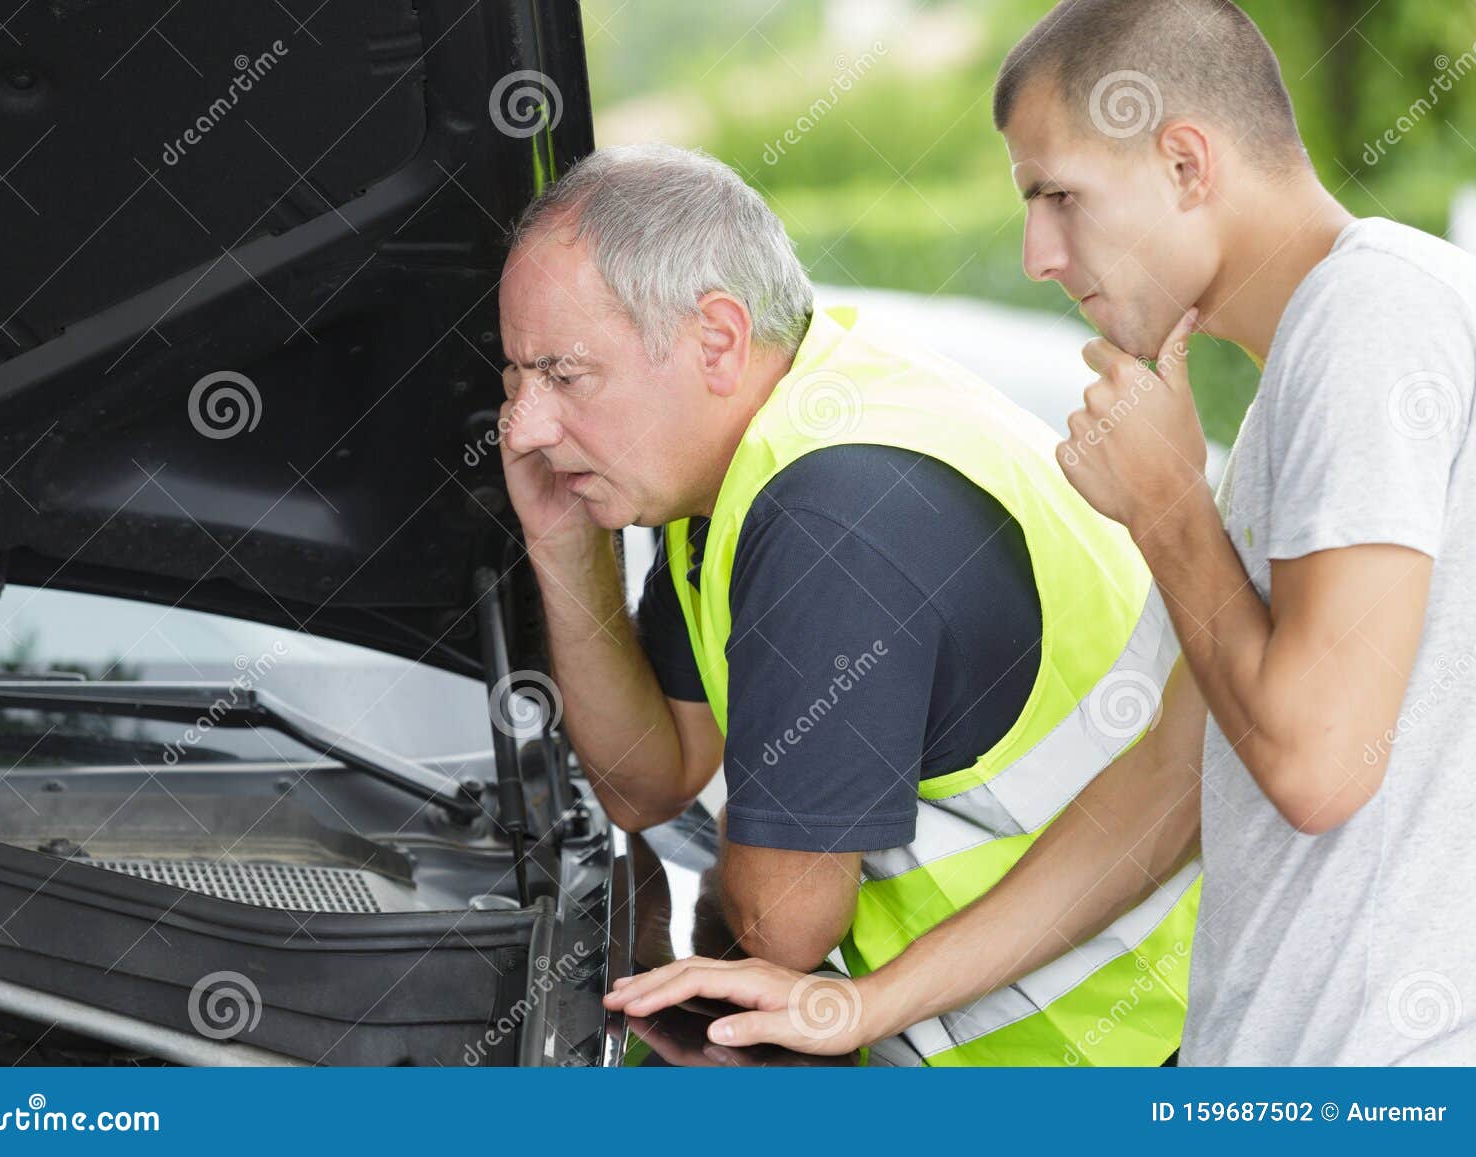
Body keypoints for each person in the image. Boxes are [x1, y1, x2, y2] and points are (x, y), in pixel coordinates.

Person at [607, 0, 1476, 1066]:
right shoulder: (1291, 390)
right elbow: (1170, 784)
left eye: (1058, 195)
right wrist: (860, 1006)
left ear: (1185, 163)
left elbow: (1319, 767)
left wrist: (1166, 506)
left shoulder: (1373, 315)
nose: (1037, 254)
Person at [501, 142, 1198, 1066]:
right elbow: (648, 781)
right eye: (516, 379)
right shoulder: (745, 452)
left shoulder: (829, 513)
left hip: (1145, 1051)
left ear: (717, 340)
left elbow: (783, 924)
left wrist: (759, 828)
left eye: (563, 376)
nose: (525, 428)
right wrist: (562, 545)